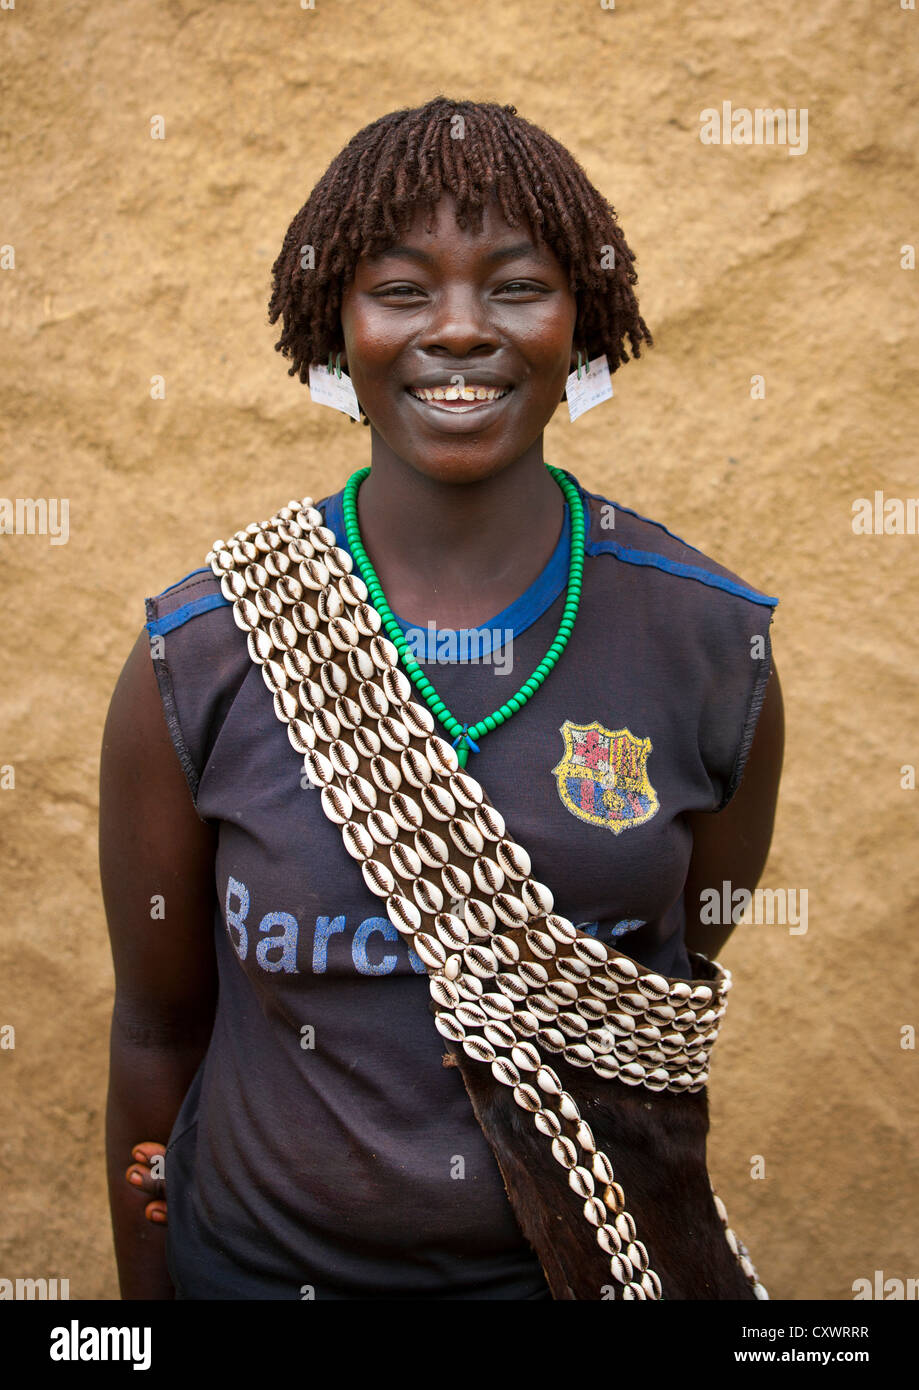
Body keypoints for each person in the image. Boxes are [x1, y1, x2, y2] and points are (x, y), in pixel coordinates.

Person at [101, 96, 784, 1300]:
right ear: (335, 326)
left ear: (582, 325)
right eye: (401, 289)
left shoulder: (706, 644)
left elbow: (646, 991)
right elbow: (158, 1031)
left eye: (516, 286)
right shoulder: (203, 651)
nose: (459, 330)